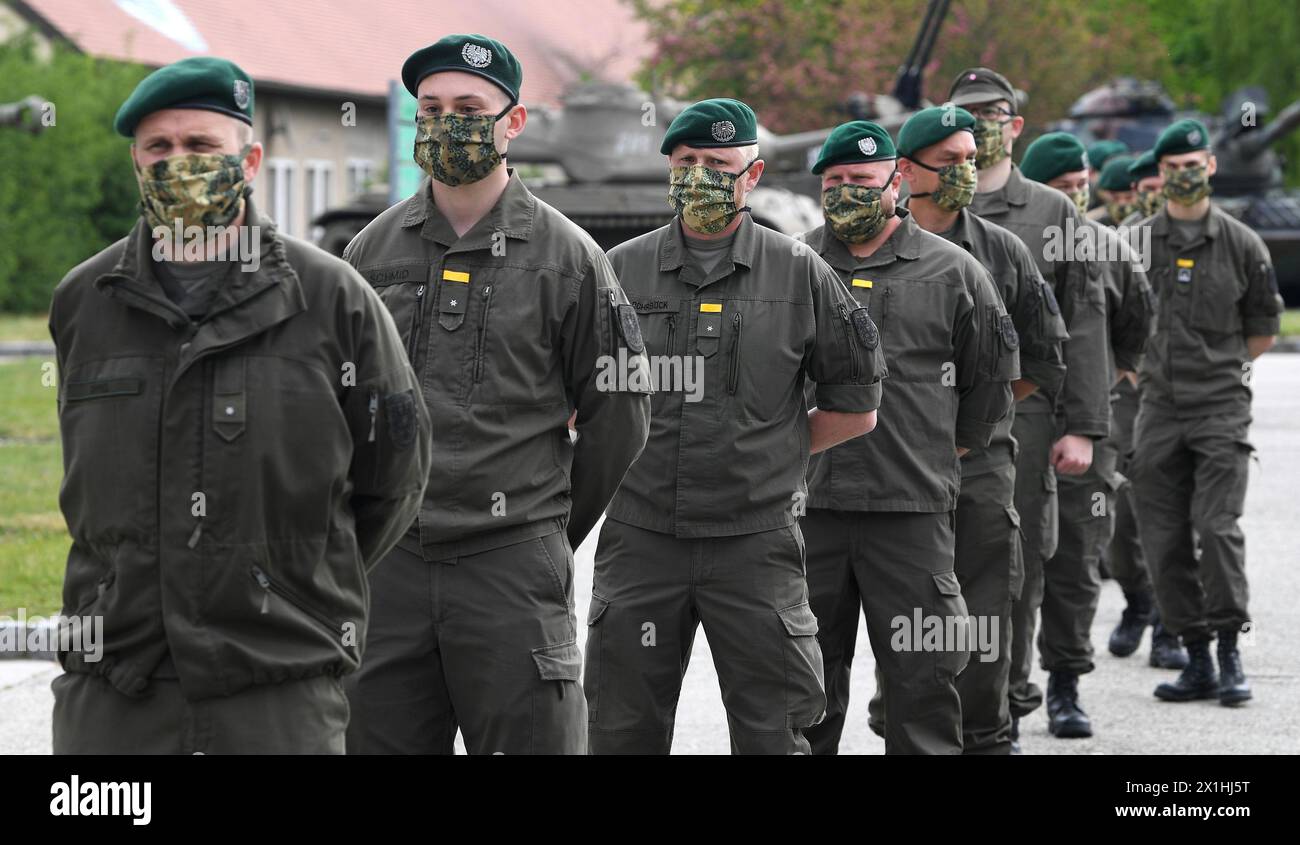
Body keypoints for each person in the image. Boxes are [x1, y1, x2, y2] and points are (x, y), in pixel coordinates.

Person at [49, 57, 431, 754]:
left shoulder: (333, 298)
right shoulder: (85, 300)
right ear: (135, 161)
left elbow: (394, 479)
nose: (177, 165)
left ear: (249, 159)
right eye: (158, 149)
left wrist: (292, 579)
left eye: (200, 148)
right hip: (114, 690)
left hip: (276, 690)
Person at [343, 34, 651, 754]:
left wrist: (549, 529)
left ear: (513, 122)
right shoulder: (371, 253)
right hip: (391, 565)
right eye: (433, 108)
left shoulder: (568, 257)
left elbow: (620, 416)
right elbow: (339, 405)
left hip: (511, 566)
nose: (449, 122)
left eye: (470, 108)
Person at [584, 99, 883, 755]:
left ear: (752, 175)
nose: (700, 175)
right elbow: (581, 399)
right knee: (617, 727)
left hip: (756, 544)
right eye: (687, 161)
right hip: (641, 538)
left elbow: (855, 404)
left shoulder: (800, 270)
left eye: (718, 164)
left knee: (773, 729)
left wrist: (772, 454)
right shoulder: (618, 270)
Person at [801, 120, 1015, 755]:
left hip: (914, 514)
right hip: (813, 510)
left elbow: (992, 380)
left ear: (896, 181)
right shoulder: (794, 264)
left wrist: (947, 451)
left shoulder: (955, 272)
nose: (845, 192)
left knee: (923, 686)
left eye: (860, 180)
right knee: (804, 682)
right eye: (833, 181)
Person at [895, 105, 1068, 754]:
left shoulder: (1004, 251)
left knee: (986, 608)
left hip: (981, 464)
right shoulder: (871, 244)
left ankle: (987, 734)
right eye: (951, 162)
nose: (966, 171)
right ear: (906, 170)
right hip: (893, 466)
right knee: (909, 614)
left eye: (971, 158)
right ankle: (908, 726)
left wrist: (978, 417)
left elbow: (1044, 355)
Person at [949, 67, 1110, 750]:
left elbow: (1086, 317)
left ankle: (1009, 700)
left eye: (995, 113)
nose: (982, 124)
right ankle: (929, 702)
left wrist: (1084, 426)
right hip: (934, 418)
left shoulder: (1053, 213)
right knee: (930, 566)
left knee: (1013, 563)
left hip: (1029, 411)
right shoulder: (926, 200)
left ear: (1016, 125)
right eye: (968, 115)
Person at [1128, 119, 1282, 706]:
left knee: (1217, 531)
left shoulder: (1244, 244)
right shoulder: (1136, 244)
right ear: (1160, 175)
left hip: (1220, 410)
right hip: (1158, 410)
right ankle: (1194, 657)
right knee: (1162, 542)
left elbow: (1262, 329)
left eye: (1194, 165)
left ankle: (1229, 651)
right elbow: (1115, 323)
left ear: (1211, 167)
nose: (1184, 176)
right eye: (1172, 168)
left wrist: (1220, 372)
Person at [1020, 132, 1154, 738]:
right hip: (1020, 425)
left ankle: (1066, 684)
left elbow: (1137, 320)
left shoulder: (1106, 246)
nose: (1073, 200)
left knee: (1076, 561)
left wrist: (1111, 379)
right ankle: (1009, 691)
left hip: (1086, 434)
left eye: (1080, 187)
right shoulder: (1011, 243)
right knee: (1012, 567)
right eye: (1062, 190)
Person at [1105, 146, 1187, 671]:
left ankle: (1168, 626)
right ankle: (1137, 598)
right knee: (1118, 523)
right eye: (1149, 187)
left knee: (1177, 520)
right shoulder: (1116, 247)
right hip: (1127, 399)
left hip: (1182, 403)